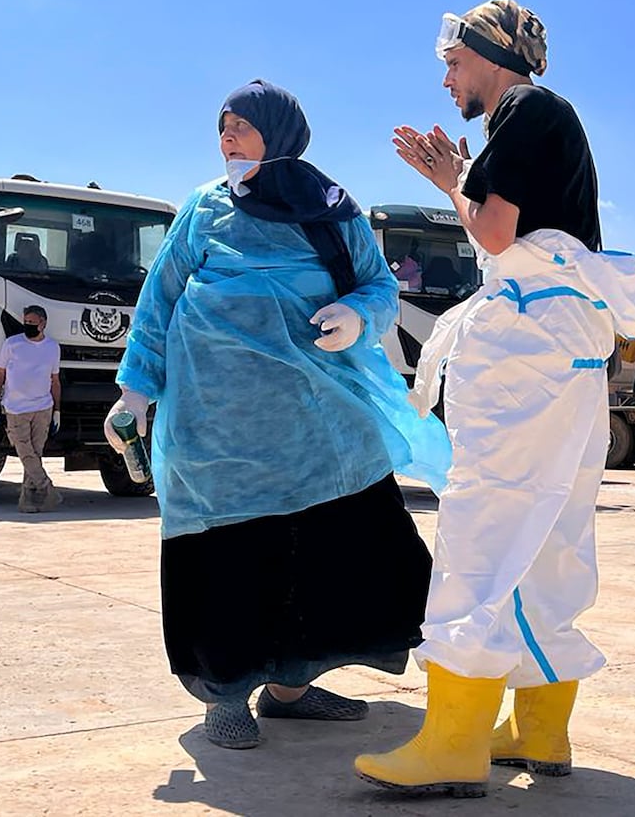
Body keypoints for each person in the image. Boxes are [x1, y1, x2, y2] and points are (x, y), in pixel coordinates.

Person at [355, 0, 635, 797]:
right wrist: (463, 179)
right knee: (552, 532)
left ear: (491, 54)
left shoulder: (523, 110)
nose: (447, 79)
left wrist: (449, 183)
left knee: (483, 521)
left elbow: (493, 237)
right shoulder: (543, 119)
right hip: (567, 354)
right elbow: (518, 232)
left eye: (453, 63)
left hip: (524, 348)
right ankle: (538, 730)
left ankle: (452, 743)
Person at [102, 80, 450, 751]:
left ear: (280, 133)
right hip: (216, 429)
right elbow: (160, 298)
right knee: (231, 562)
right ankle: (225, 697)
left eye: (241, 125)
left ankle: (292, 689)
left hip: (317, 425)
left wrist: (358, 316)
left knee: (331, 553)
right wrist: (135, 390)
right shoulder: (205, 208)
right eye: (223, 126)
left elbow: (377, 285)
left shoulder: (329, 209)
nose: (227, 136)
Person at [0, 305, 62, 513]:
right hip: (15, 408)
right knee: (25, 453)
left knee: (35, 454)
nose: (28, 326)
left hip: (43, 407)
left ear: (43, 323)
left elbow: (55, 381)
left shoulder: (52, 348)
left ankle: (27, 501)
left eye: (32, 323)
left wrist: (57, 411)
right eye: (26, 322)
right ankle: (47, 489)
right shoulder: (12, 344)